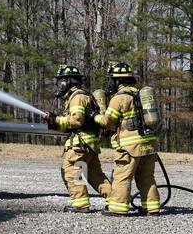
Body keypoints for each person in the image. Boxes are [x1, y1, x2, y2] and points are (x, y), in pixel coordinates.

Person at [94, 62, 161, 216]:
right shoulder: (139, 94)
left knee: (122, 176)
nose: (110, 83)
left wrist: (94, 116)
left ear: (118, 81)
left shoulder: (119, 98)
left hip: (130, 146)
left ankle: (118, 209)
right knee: (146, 177)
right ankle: (152, 208)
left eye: (112, 80)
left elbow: (107, 121)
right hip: (149, 144)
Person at [42, 64, 111, 212]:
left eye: (62, 81)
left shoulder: (77, 97)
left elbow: (77, 121)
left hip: (80, 144)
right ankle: (115, 200)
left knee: (72, 170)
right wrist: (53, 121)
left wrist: (57, 119)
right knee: (95, 175)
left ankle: (80, 204)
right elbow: (71, 124)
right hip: (89, 144)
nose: (60, 85)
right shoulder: (79, 96)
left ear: (69, 81)